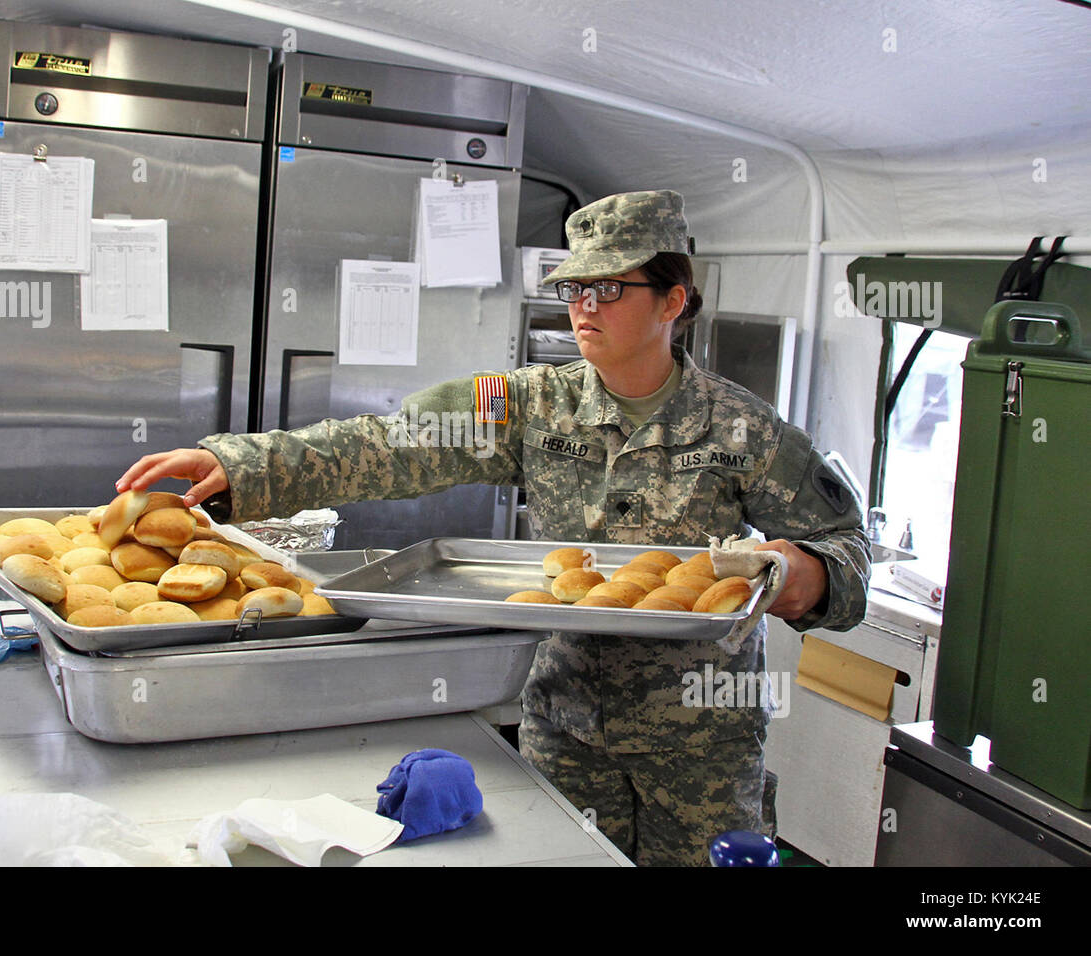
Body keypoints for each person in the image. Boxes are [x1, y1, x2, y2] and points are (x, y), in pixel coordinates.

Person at [116, 189, 871, 866]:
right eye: (575, 287)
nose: (584, 306)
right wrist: (247, 465)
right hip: (565, 722)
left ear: (672, 301)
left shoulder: (744, 430)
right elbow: (390, 445)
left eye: (610, 288)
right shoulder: (530, 406)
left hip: (702, 743)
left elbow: (846, 547)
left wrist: (808, 575)